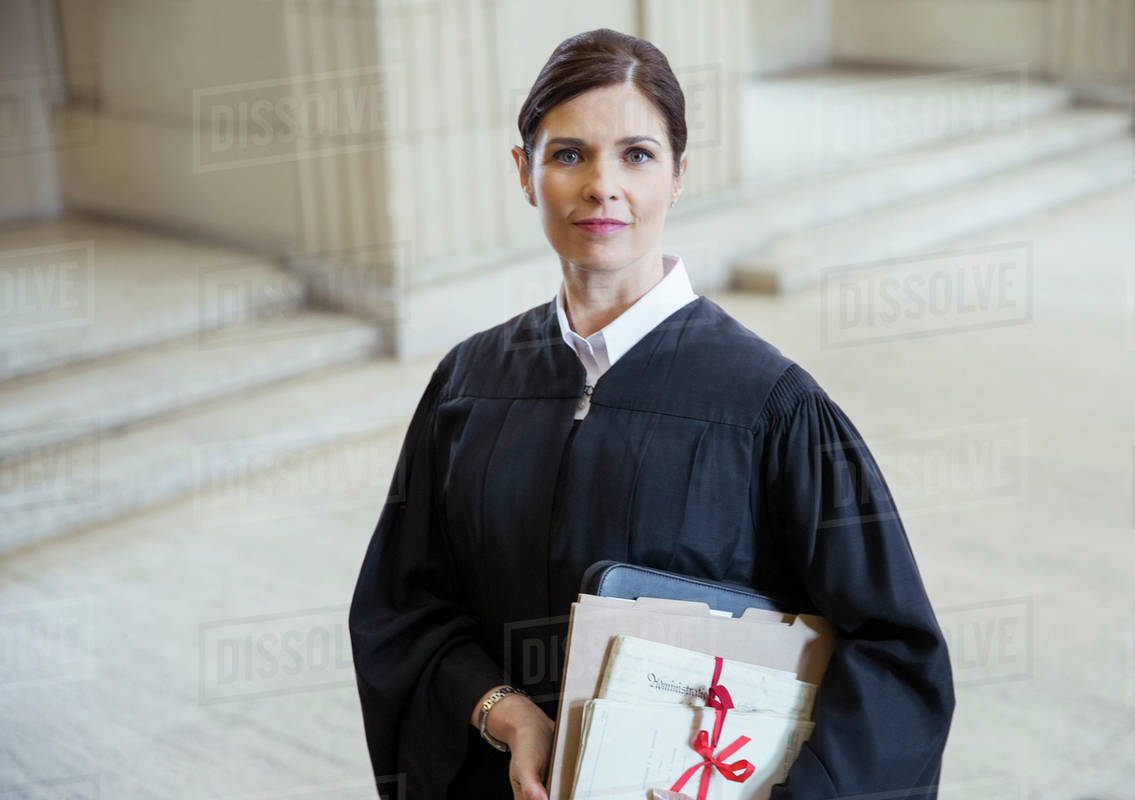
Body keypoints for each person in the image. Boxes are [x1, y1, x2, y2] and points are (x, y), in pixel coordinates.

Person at [348, 27, 955, 800]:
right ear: (525, 174)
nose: (603, 185)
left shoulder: (771, 407)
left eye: (636, 155)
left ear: (678, 176)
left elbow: (893, 652)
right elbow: (406, 604)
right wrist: (508, 715)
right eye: (568, 154)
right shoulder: (469, 383)